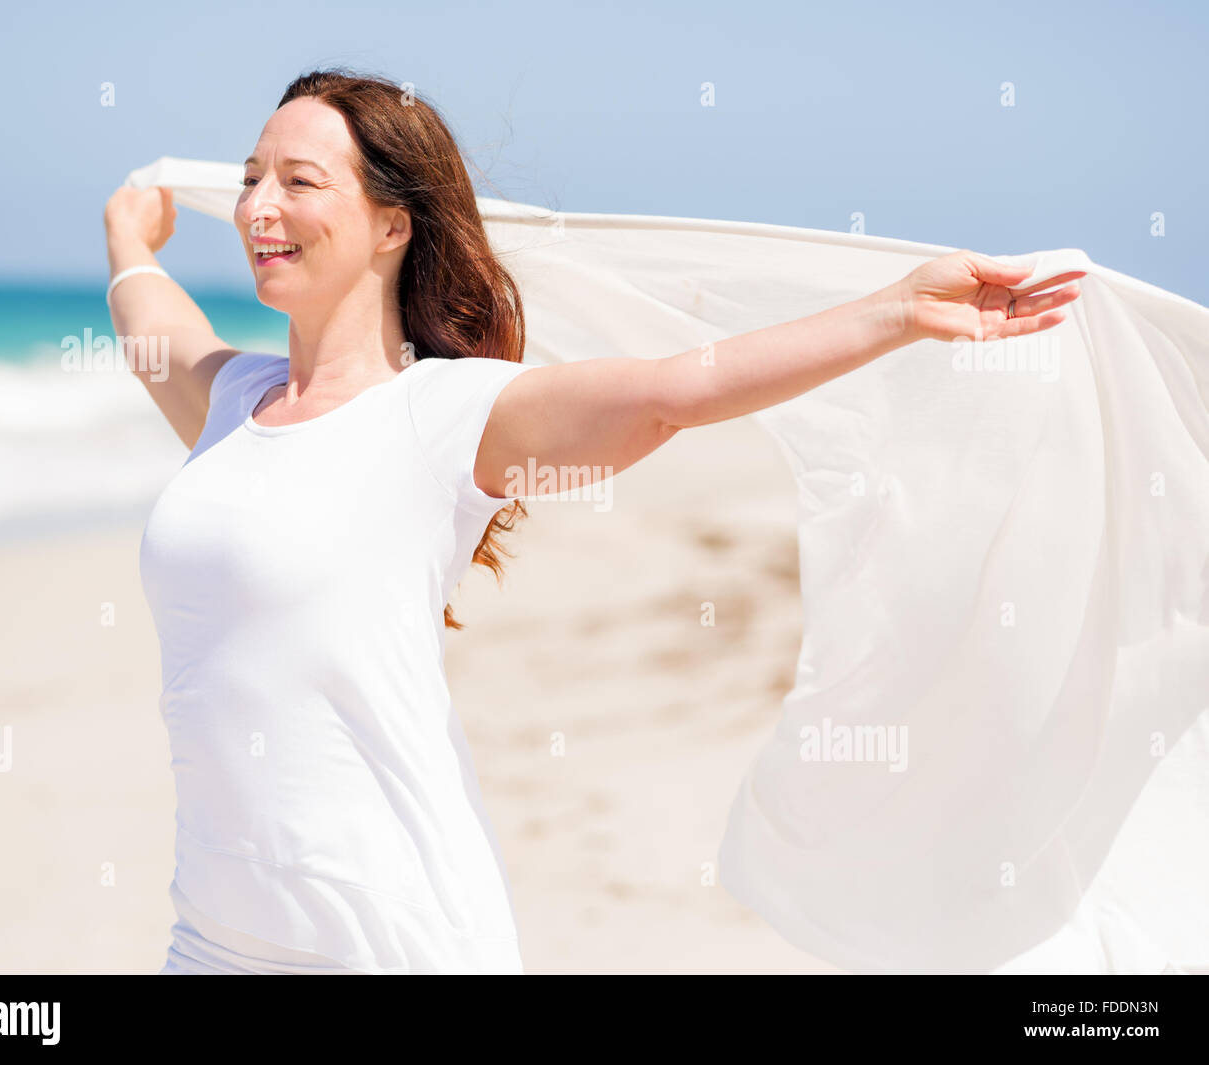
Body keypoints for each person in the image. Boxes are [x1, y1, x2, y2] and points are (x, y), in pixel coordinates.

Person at [103, 68, 1085, 974]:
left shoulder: (446, 415)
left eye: (299, 181)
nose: (258, 208)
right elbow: (151, 319)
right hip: (213, 944)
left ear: (393, 224)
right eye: (248, 178)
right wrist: (129, 236)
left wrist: (897, 311)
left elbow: (672, 393)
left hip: (387, 944)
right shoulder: (230, 404)